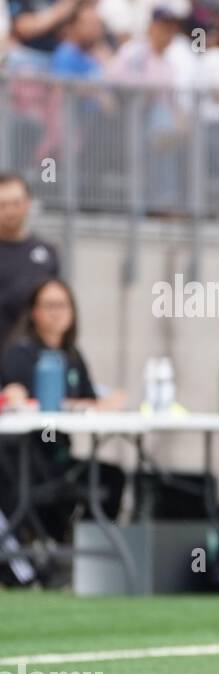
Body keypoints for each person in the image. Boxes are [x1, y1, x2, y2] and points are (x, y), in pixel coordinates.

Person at [0, 278, 126, 542]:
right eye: (49, 305)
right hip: (31, 459)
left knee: (113, 478)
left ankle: (86, 558)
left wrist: (104, 404)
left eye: (63, 305)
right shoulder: (21, 354)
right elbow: (23, 402)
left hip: (61, 454)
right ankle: (51, 549)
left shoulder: (72, 355)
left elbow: (91, 400)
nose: (57, 312)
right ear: (34, 312)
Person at [0, 173, 60, 347]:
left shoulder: (47, 254)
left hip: (34, 358)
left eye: (16, 203)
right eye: (3, 205)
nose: (10, 211)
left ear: (28, 204)